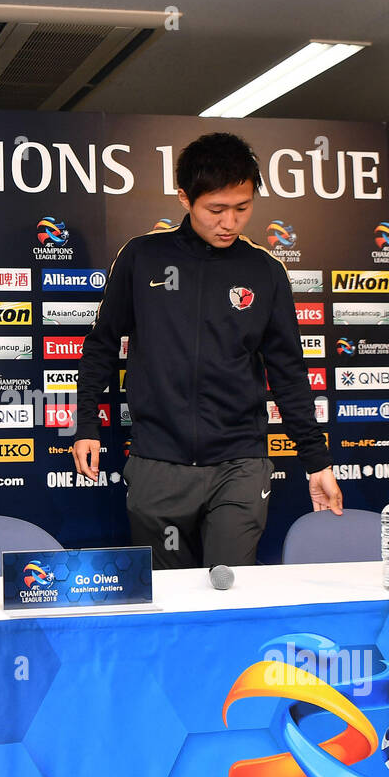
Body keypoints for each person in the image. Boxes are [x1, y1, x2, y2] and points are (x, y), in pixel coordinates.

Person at [73, 132, 341, 569]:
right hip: (157, 462)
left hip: (240, 463)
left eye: (242, 208)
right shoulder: (142, 258)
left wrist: (317, 461)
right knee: (171, 600)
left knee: (230, 589)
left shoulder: (266, 272)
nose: (230, 223)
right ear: (184, 198)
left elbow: (288, 372)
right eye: (216, 210)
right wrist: (86, 424)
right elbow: (101, 344)